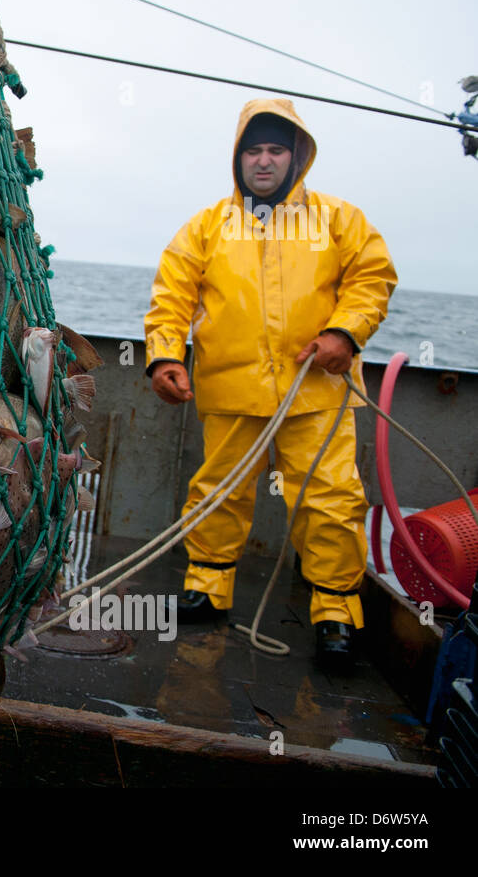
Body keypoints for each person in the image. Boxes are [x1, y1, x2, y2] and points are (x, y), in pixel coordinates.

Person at [143, 97, 397, 669]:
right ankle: (208, 587)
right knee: (219, 491)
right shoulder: (207, 226)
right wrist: (163, 357)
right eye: (253, 150)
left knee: (331, 500)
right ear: (238, 157)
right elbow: (171, 296)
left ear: (297, 155)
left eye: (276, 149)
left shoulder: (340, 219)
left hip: (318, 391)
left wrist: (344, 333)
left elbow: (372, 278)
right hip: (232, 390)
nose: (263, 160)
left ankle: (336, 613)